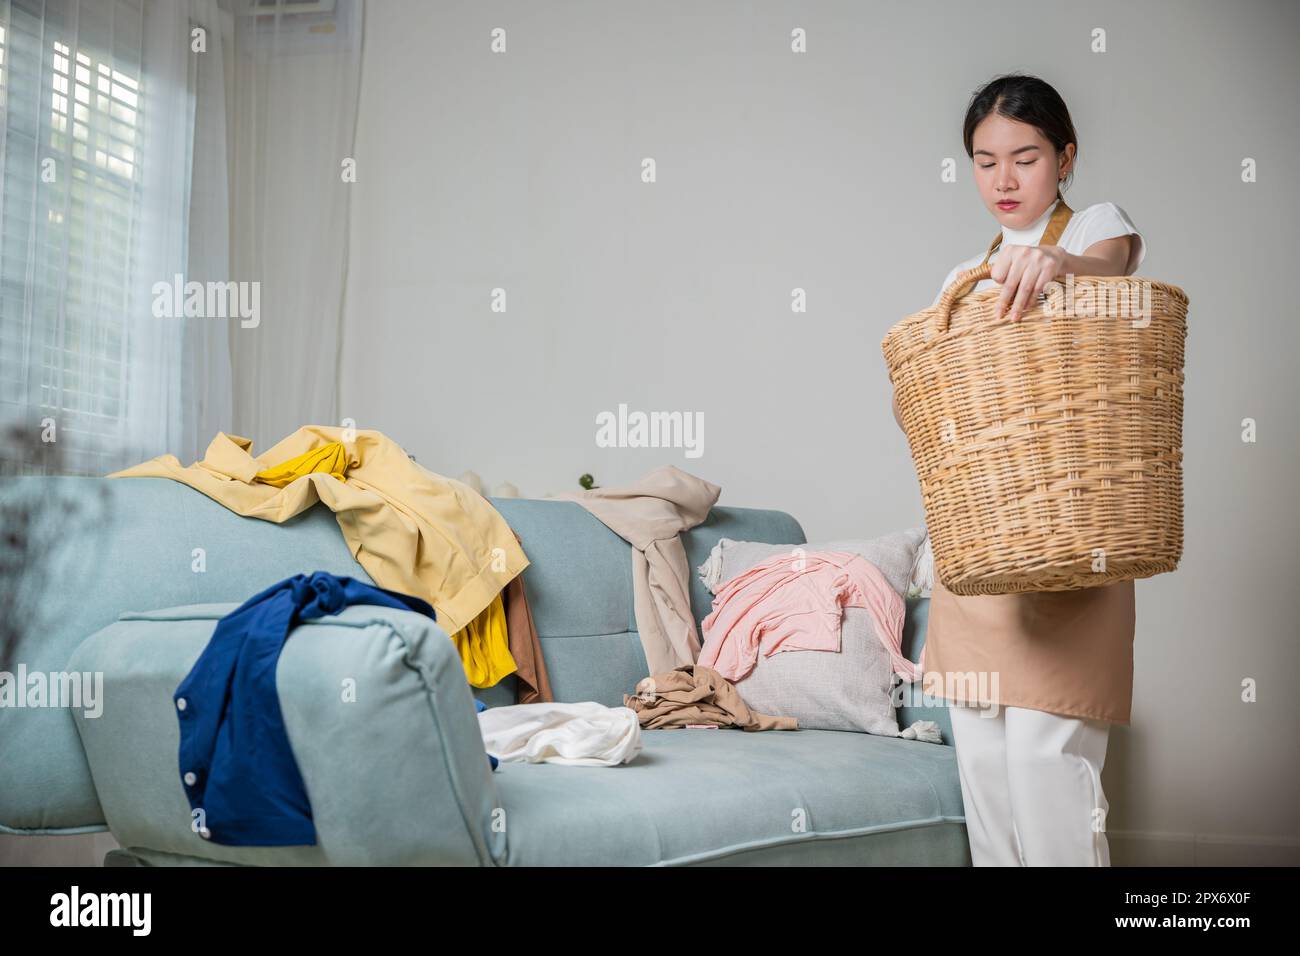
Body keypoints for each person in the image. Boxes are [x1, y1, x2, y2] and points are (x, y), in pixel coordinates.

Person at [891, 73, 1146, 867]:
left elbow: (1114, 268)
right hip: (978, 554)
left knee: (1046, 765)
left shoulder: (1096, 228)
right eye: (985, 160)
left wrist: (1060, 267)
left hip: (1067, 546)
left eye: (1025, 158)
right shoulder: (961, 279)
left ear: (1064, 157)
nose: (1004, 180)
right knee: (985, 775)